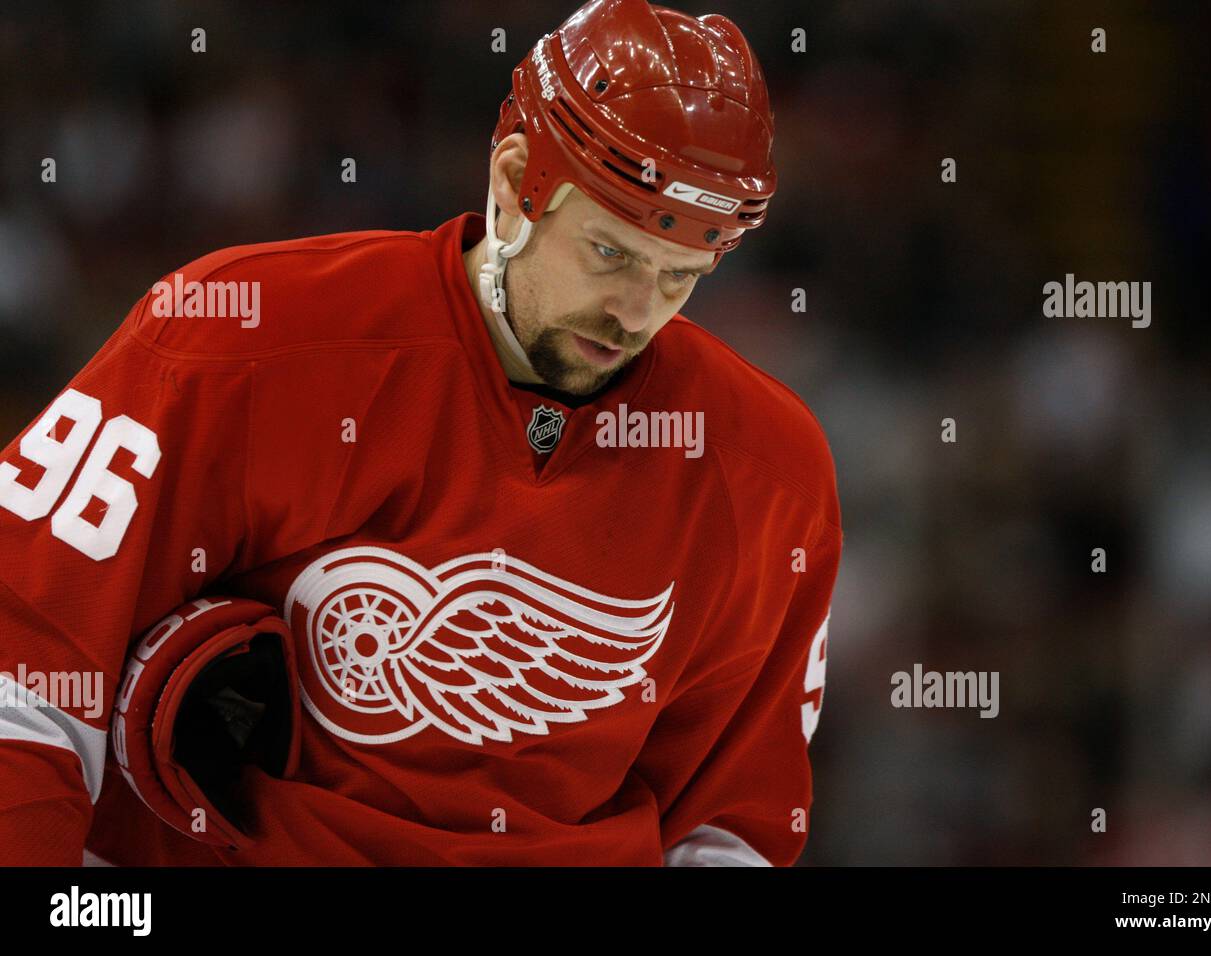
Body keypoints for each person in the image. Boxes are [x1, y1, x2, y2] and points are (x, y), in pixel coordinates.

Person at [0, 0, 841, 866]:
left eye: (680, 276)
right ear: (517, 184)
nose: (636, 311)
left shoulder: (766, 471)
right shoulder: (242, 342)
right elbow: (21, 665)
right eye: (609, 254)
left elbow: (729, 822)